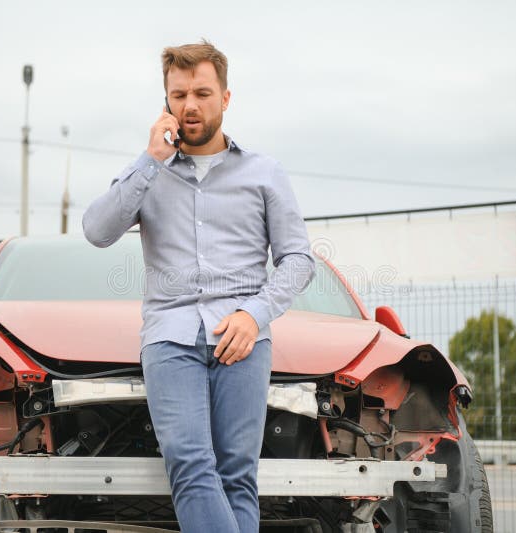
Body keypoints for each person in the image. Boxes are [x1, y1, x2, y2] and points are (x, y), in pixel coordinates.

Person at [82, 40, 315, 533]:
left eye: (203, 93)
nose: (190, 105)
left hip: (243, 339)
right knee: (190, 464)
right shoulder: (148, 173)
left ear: (225, 98)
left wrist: (254, 314)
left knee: (237, 476)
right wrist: (150, 157)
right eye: (179, 94)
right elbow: (97, 231)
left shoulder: (264, 173)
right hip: (170, 338)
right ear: (166, 101)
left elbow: (298, 260)